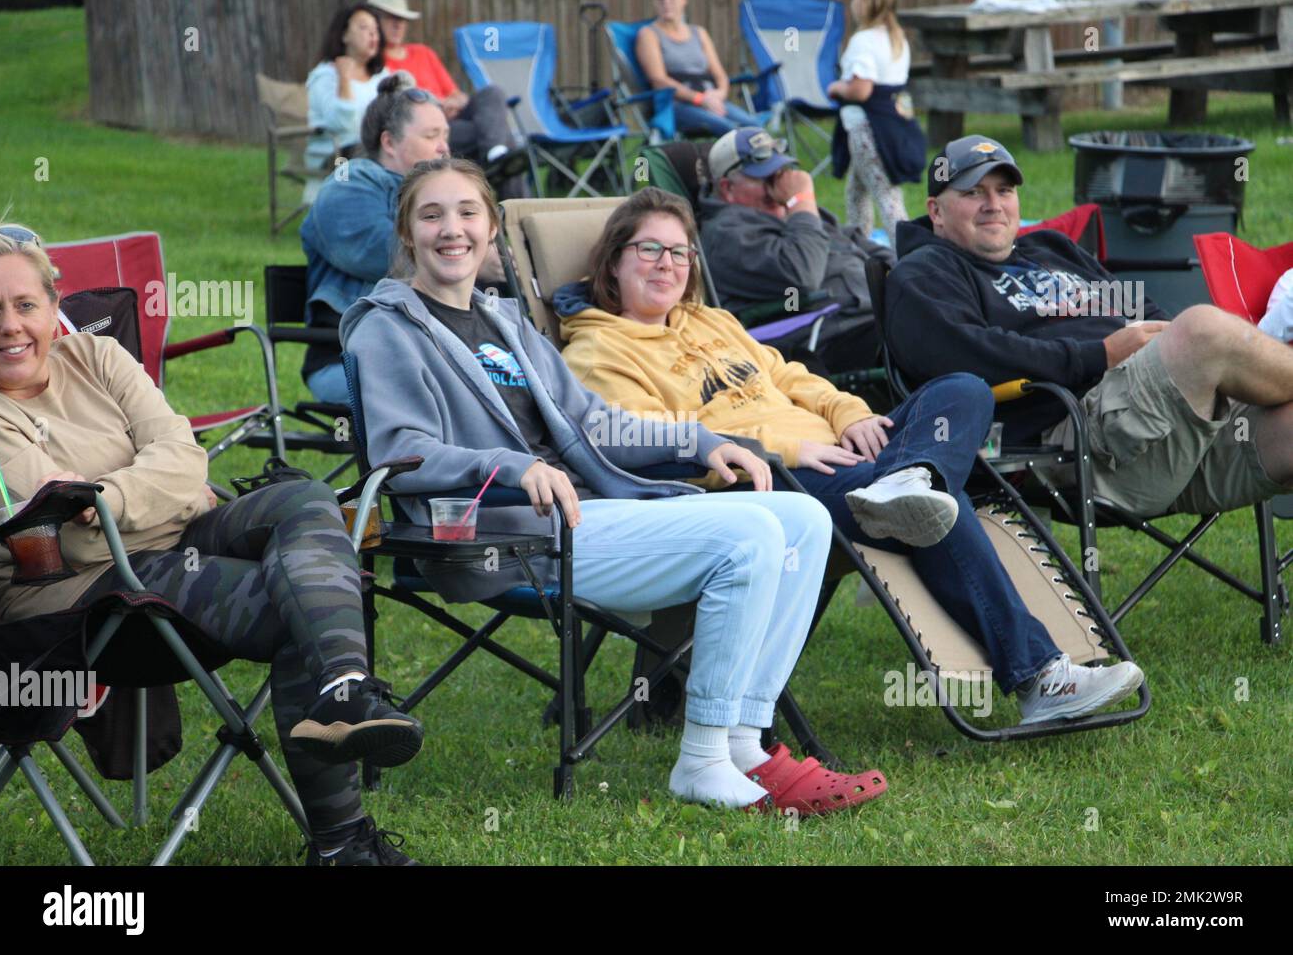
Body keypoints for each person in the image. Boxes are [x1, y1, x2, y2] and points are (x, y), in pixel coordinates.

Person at [340, 158, 886, 813]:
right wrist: (513, 467)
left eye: (467, 214)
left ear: (491, 230)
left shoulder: (506, 322)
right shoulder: (386, 327)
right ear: (407, 232)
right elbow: (403, 452)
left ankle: (744, 743)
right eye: (432, 215)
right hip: (493, 533)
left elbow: (593, 422)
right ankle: (702, 759)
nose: (451, 230)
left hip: (577, 514)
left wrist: (701, 440)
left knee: (803, 518)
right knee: (751, 534)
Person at [553, 188, 1147, 726]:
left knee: (961, 389)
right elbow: (652, 441)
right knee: (937, 509)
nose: (667, 264)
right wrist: (790, 448)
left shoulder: (712, 321)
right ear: (613, 261)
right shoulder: (596, 348)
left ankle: (912, 480)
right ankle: (1038, 675)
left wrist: (851, 415)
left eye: (680, 253)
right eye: (649, 249)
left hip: (840, 453)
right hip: (768, 482)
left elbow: (791, 374)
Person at [0, 224, 424, 865]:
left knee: (303, 498)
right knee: (299, 600)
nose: (9, 326)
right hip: (71, 605)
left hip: (173, 546)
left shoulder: (99, 358)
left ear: (55, 309)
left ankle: (345, 684)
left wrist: (105, 502)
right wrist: (134, 500)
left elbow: (183, 457)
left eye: (25, 305)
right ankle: (340, 845)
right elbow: (51, 532)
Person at [887, 135, 1293, 519]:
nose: (993, 204)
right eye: (973, 192)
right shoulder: (925, 273)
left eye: (1004, 191)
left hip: (1182, 424)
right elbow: (967, 355)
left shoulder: (1051, 249)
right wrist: (1100, 355)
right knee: (1203, 329)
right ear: (936, 211)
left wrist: (1171, 345)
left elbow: (1139, 307)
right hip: (1086, 441)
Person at [300, 73, 451, 404]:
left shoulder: (446, 193)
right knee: (452, 390)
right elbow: (387, 257)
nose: (444, 147)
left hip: (437, 353)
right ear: (389, 143)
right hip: (354, 360)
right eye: (431, 135)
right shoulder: (350, 185)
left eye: (445, 135)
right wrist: (474, 257)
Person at [699, 127, 894, 376]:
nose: (777, 186)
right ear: (727, 188)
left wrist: (904, 274)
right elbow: (802, 273)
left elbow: (852, 240)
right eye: (766, 178)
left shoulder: (785, 210)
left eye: (779, 173)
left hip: (870, 312)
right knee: (927, 333)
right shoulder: (726, 235)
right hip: (825, 333)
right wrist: (801, 202)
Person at [367, 0, 523, 187]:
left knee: (492, 92)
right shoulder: (377, 64)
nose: (398, 24)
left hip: (453, 119)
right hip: (427, 131)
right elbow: (396, 108)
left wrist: (453, 103)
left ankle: (496, 152)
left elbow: (458, 96)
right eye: (391, 18)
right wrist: (437, 106)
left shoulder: (423, 52)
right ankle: (511, 196)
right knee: (502, 137)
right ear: (375, 21)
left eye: (403, 19)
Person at [826, 0, 920, 238]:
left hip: (868, 131)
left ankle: (906, 255)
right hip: (893, 125)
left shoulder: (863, 41)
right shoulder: (897, 37)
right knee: (856, 192)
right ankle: (858, 246)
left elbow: (861, 90)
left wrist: (837, 88)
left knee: (888, 197)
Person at [636, 0, 761, 137]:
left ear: (684, 1)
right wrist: (699, 99)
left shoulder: (699, 33)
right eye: (661, 0)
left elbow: (720, 75)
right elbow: (659, 80)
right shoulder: (648, 34)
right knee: (728, 129)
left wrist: (719, 94)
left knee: (754, 126)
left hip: (711, 98)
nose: (666, 3)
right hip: (677, 105)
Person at [304, 4, 390, 194]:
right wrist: (344, 78)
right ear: (344, 35)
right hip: (334, 157)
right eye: (363, 27)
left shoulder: (382, 76)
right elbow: (342, 124)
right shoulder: (325, 76)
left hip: (374, 152)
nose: (372, 34)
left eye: (375, 29)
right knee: (377, 158)